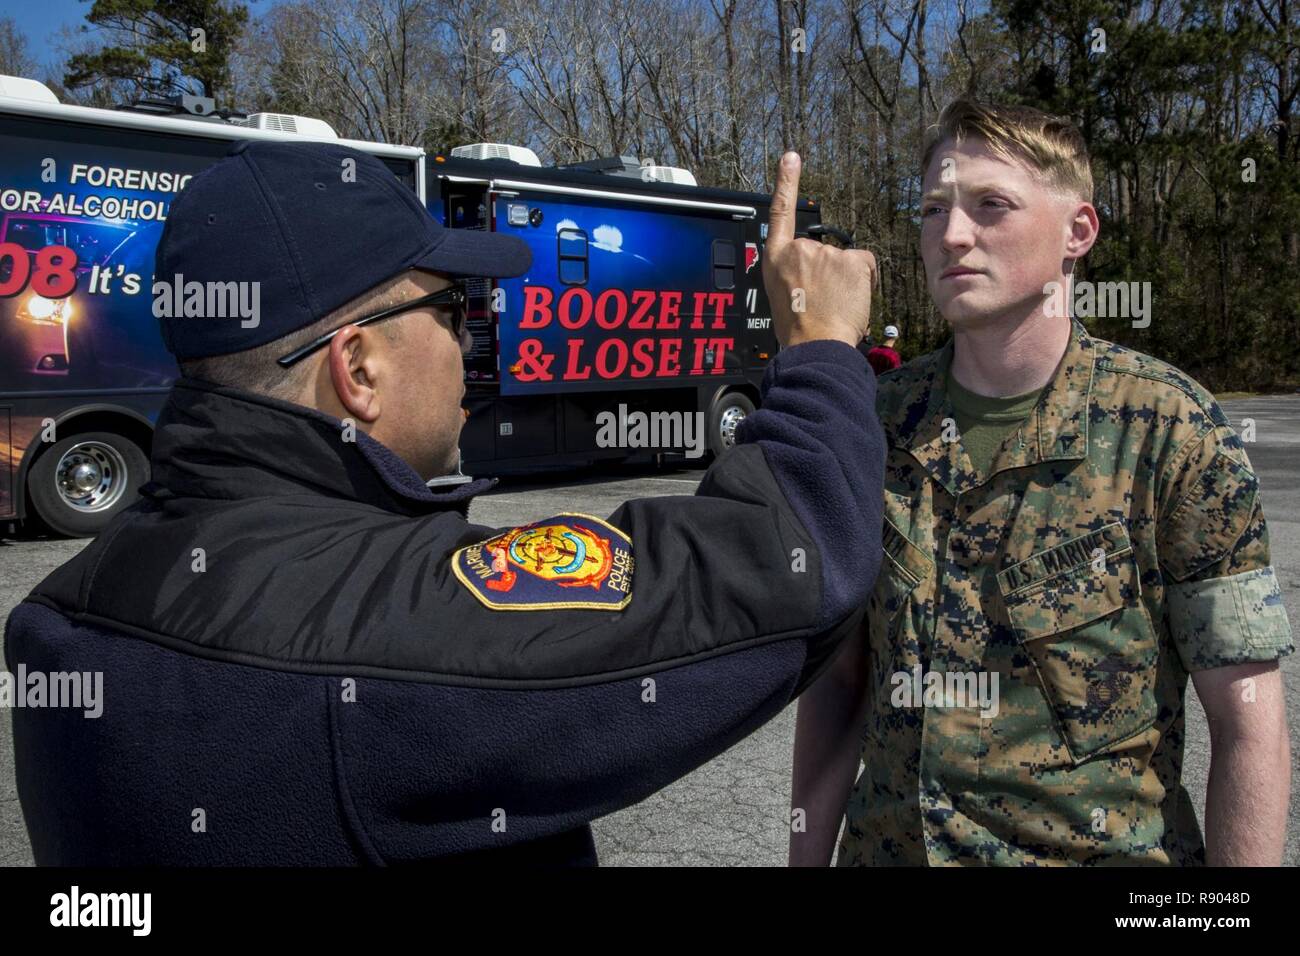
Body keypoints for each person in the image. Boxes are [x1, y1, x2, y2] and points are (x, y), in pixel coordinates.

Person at [5, 142, 886, 865]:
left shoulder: (63, 610)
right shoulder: (378, 627)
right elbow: (784, 566)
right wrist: (819, 351)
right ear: (357, 368)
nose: (475, 334)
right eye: (453, 307)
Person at [790, 97, 1293, 867]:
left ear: (1077, 232)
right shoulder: (873, 424)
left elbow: (1249, 724)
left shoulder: (1170, 431)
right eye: (932, 208)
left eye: (991, 205)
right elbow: (835, 690)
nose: (952, 234)